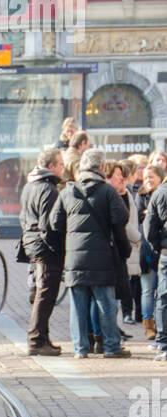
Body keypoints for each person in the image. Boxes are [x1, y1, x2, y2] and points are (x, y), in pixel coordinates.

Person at [48, 149, 131, 358]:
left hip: (75, 259)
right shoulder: (108, 191)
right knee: (105, 303)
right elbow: (121, 217)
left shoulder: (68, 191)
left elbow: (54, 223)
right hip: (102, 256)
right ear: (102, 168)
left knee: (78, 306)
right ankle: (111, 346)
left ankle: (80, 348)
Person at [19, 146, 66, 354]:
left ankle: (43, 338)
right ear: (51, 166)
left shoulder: (30, 186)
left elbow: (24, 218)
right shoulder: (48, 189)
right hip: (44, 247)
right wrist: (57, 248)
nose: (64, 168)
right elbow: (49, 225)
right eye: (61, 165)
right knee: (46, 294)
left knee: (42, 292)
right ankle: (37, 340)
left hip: (31, 243)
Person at [106, 160, 140, 338]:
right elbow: (123, 223)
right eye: (119, 176)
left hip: (125, 249)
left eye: (123, 176)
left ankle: (115, 327)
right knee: (112, 294)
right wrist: (138, 239)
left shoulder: (126, 194)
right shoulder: (111, 196)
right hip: (117, 249)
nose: (123, 180)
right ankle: (111, 330)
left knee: (120, 290)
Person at [143, 165, 167, 362]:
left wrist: (159, 246)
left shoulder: (160, 193)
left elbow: (149, 228)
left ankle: (164, 343)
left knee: (164, 297)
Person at [138, 164, 164, 341]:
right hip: (147, 248)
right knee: (148, 289)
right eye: (145, 177)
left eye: (151, 177)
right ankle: (148, 324)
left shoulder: (161, 194)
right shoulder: (141, 197)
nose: (148, 180)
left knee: (161, 292)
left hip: (160, 249)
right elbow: (141, 221)